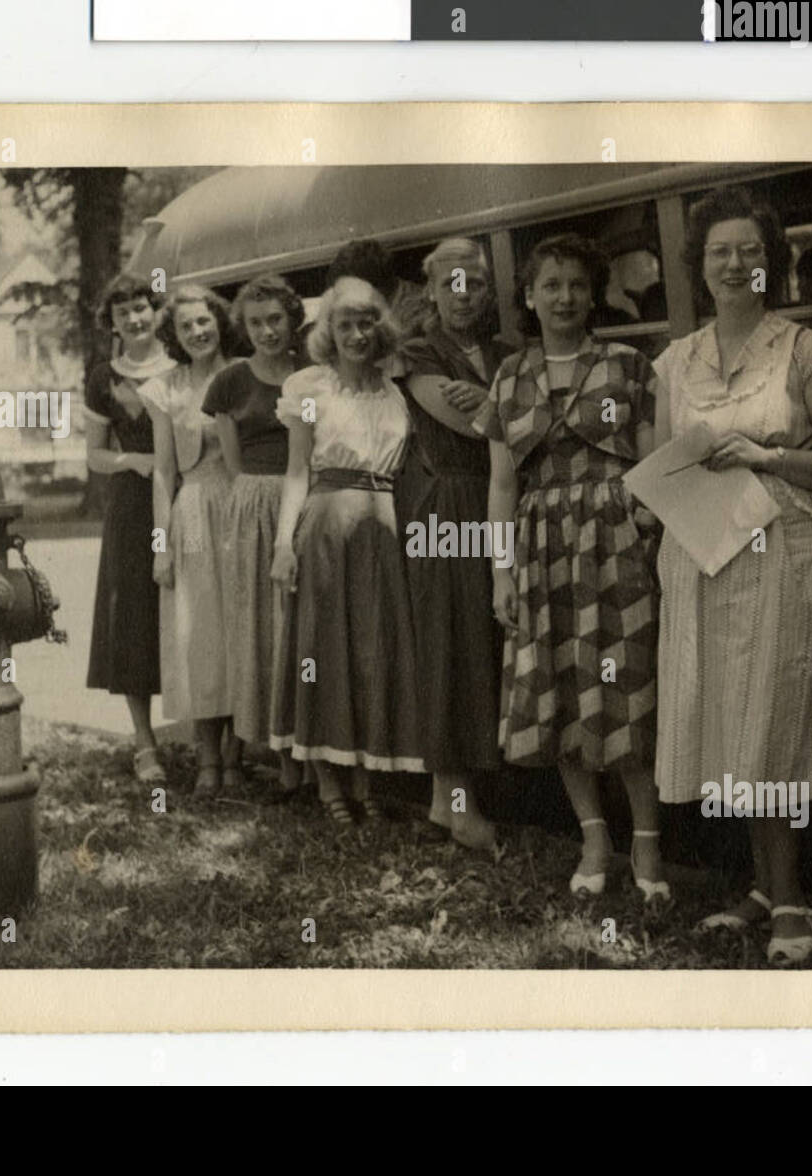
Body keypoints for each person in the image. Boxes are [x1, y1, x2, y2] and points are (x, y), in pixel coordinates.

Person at [652, 186, 812, 965]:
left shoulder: (805, 350)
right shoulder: (675, 362)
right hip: (704, 549)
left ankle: (788, 900)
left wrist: (768, 455)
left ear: (770, 263)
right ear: (701, 266)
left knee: (772, 720)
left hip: (783, 546)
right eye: (721, 251)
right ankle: (760, 885)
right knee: (730, 721)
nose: (736, 263)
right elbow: (661, 462)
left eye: (750, 250)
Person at [474, 233, 667, 902]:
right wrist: (501, 570)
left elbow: (653, 465)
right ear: (529, 296)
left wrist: (646, 542)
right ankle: (593, 840)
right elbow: (501, 484)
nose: (564, 297)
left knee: (627, 689)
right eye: (551, 285)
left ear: (595, 296)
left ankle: (646, 845)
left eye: (578, 286)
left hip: (615, 537)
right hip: (538, 547)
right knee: (554, 686)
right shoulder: (509, 376)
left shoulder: (628, 366)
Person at [269, 276, 427, 824]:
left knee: (372, 648)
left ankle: (368, 778)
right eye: (344, 324)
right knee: (323, 650)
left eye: (366, 323)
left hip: (383, 526)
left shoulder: (394, 391)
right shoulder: (311, 389)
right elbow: (295, 472)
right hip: (326, 524)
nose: (356, 334)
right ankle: (328, 782)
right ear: (327, 331)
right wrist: (284, 546)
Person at [397, 239, 513, 850]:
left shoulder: (507, 352)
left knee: (483, 642)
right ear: (433, 291)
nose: (463, 295)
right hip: (444, 505)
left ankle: (450, 805)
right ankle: (458, 804)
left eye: (475, 283)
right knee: (450, 644)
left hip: (497, 497)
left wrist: (492, 403)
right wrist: (501, 403)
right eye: (451, 284)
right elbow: (465, 423)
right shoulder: (418, 352)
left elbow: (507, 420)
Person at [202, 276, 305, 793]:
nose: (267, 331)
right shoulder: (229, 383)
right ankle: (253, 750)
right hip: (251, 502)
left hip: (304, 499)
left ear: (292, 321)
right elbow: (234, 464)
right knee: (256, 626)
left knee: (296, 626)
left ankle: (299, 755)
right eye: (256, 322)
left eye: (276, 320)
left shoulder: (311, 376)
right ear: (244, 327)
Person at [138, 284, 238, 798]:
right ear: (174, 336)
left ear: (219, 320)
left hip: (242, 508)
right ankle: (208, 760)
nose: (198, 332)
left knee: (240, 625)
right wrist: (161, 543)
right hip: (193, 510)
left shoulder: (245, 373)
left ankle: (241, 755)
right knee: (199, 633)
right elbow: (161, 472)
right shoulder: (166, 389)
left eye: (205, 321)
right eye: (186, 326)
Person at [83, 273, 178, 784]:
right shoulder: (103, 377)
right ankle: (145, 742)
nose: (135, 319)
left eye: (142, 308)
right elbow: (94, 456)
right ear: (112, 322)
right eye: (123, 314)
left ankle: (216, 742)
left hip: (184, 495)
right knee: (134, 614)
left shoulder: (181, 363)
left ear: (156, 309)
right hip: (132, 504)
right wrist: (131, 460)